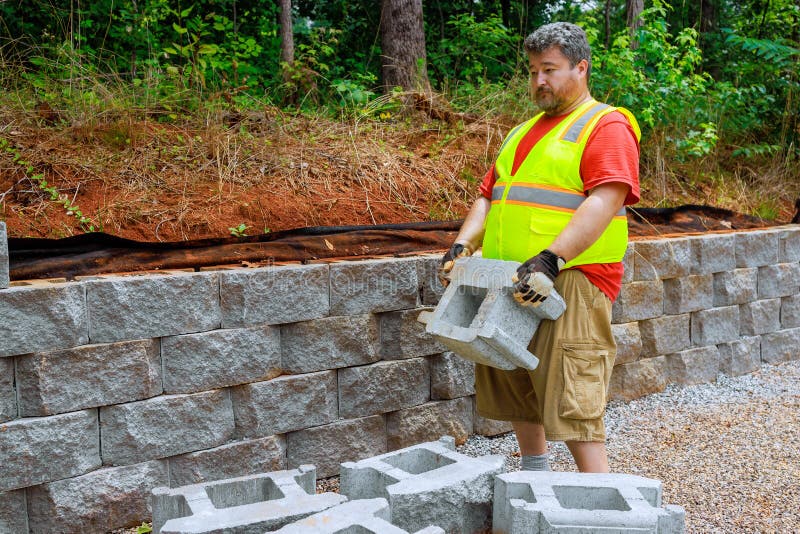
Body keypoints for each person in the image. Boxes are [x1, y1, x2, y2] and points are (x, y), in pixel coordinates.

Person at [439, 22, 640, 473]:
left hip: (569, 280)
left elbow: (606, 197)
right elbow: (488, 196)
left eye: (549, 69)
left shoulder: (605, 125)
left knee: (573, 397)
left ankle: (598, 503)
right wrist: (462, 244)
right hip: (511, 277)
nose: (539, 81)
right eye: (532, 71)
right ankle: (536, 478)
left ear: (581, 68)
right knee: (514, 380)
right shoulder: (522, 131)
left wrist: (552, 258)